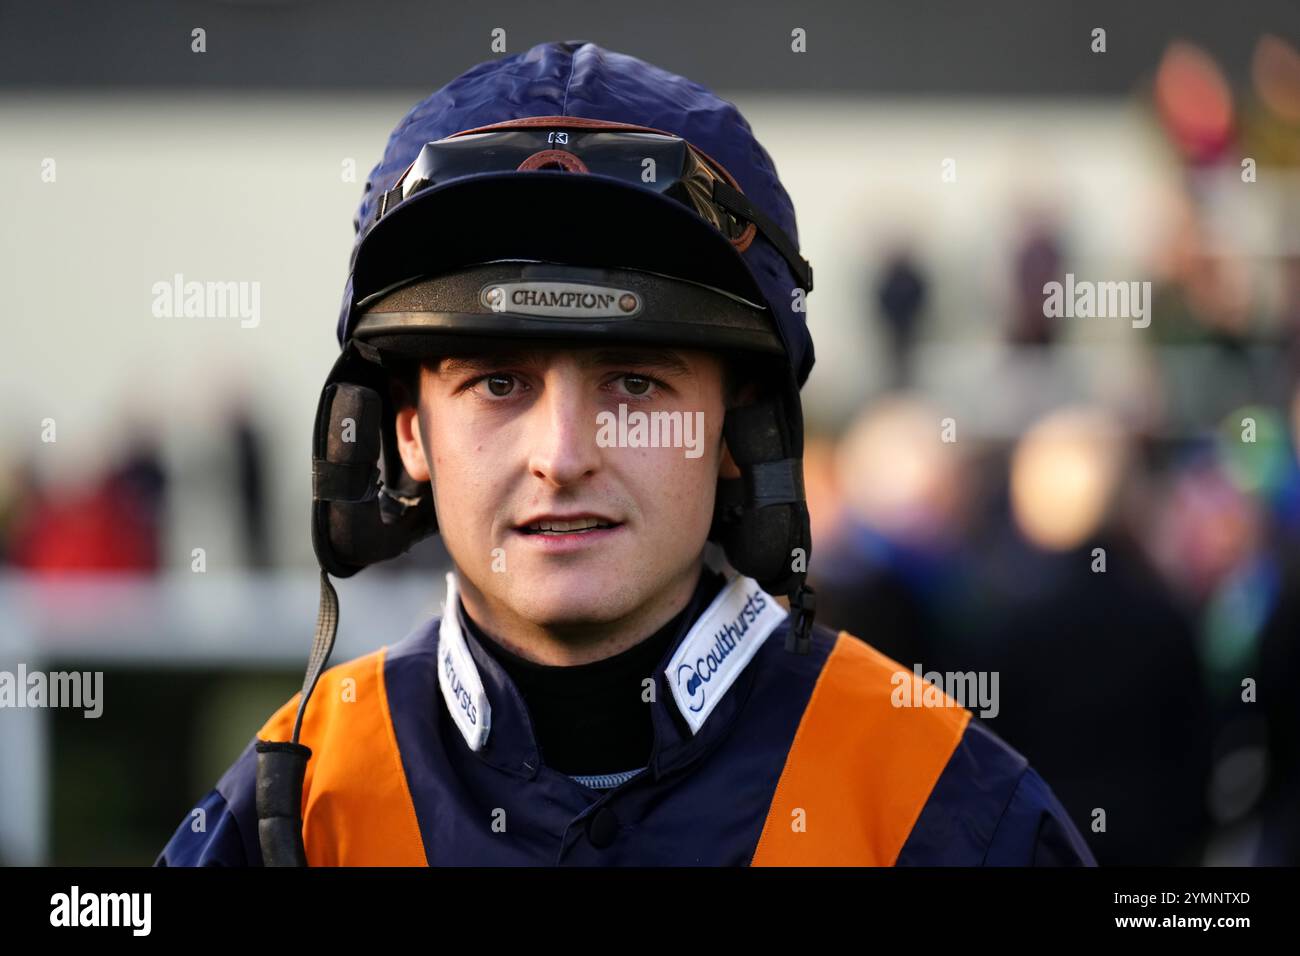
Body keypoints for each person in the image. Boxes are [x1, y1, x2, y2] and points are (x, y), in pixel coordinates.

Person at [156, 39, 1095, 867]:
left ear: (742, 429)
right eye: (497, 383)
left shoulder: (945, 810)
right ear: (406, 430)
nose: (563, 457)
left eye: (635, 384)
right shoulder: (293, 815)